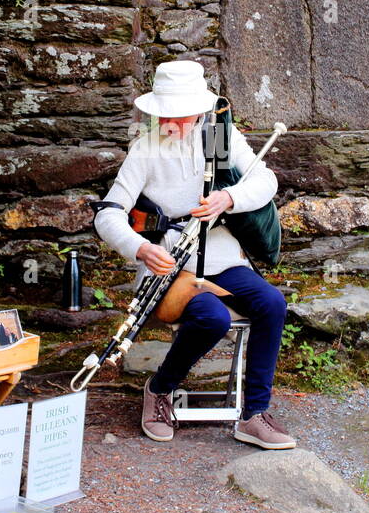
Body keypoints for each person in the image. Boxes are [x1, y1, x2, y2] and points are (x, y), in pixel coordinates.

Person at [93, 60, 295, 450]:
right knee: (212, 317)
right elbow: (108, 213)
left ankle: (254, 415)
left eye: (182, 114)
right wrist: (140, 247)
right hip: (168, 265)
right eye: (166, 115)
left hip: (220, 258)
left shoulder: (219, 136)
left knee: (271, 303)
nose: (174, 123)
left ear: (200, 109)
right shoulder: (146, 149)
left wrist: (229, 197)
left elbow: (264, 179)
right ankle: (160, 389)